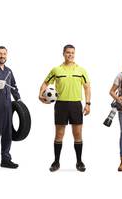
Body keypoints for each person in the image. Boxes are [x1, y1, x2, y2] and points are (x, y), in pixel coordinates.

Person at [39, 44, 91, 172]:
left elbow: (87, 87)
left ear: (75, 54)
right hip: (61, 105)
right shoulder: (56, 69)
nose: (70, 55)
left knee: (77, 134)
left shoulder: (81, 70)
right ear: (63, 53)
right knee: (59, 134)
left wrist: (88, 103)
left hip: (76, 104)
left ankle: (79, 162)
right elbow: (46, 83)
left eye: (72, 52)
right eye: (68, 52)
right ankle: (56, 162)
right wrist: (40, 95)